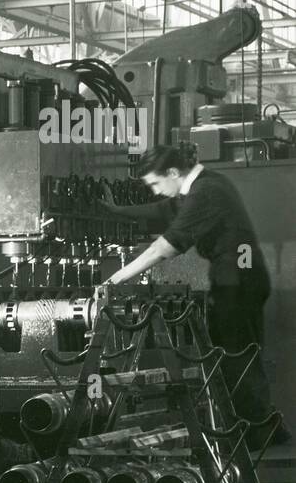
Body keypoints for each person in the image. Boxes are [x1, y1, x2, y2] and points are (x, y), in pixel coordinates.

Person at [101, 143, 288, 446]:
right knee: (238, 356)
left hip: (237, 284)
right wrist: (115, 210)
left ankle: (258, 438)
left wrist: (119, 277)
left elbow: (165, 246)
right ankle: (267, 430)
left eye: (156, 184)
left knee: (236, 357)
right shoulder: (205, 184)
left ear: (173, 173)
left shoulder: (206, 191)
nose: (157, 191)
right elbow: (164, 209)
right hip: (238, 280)